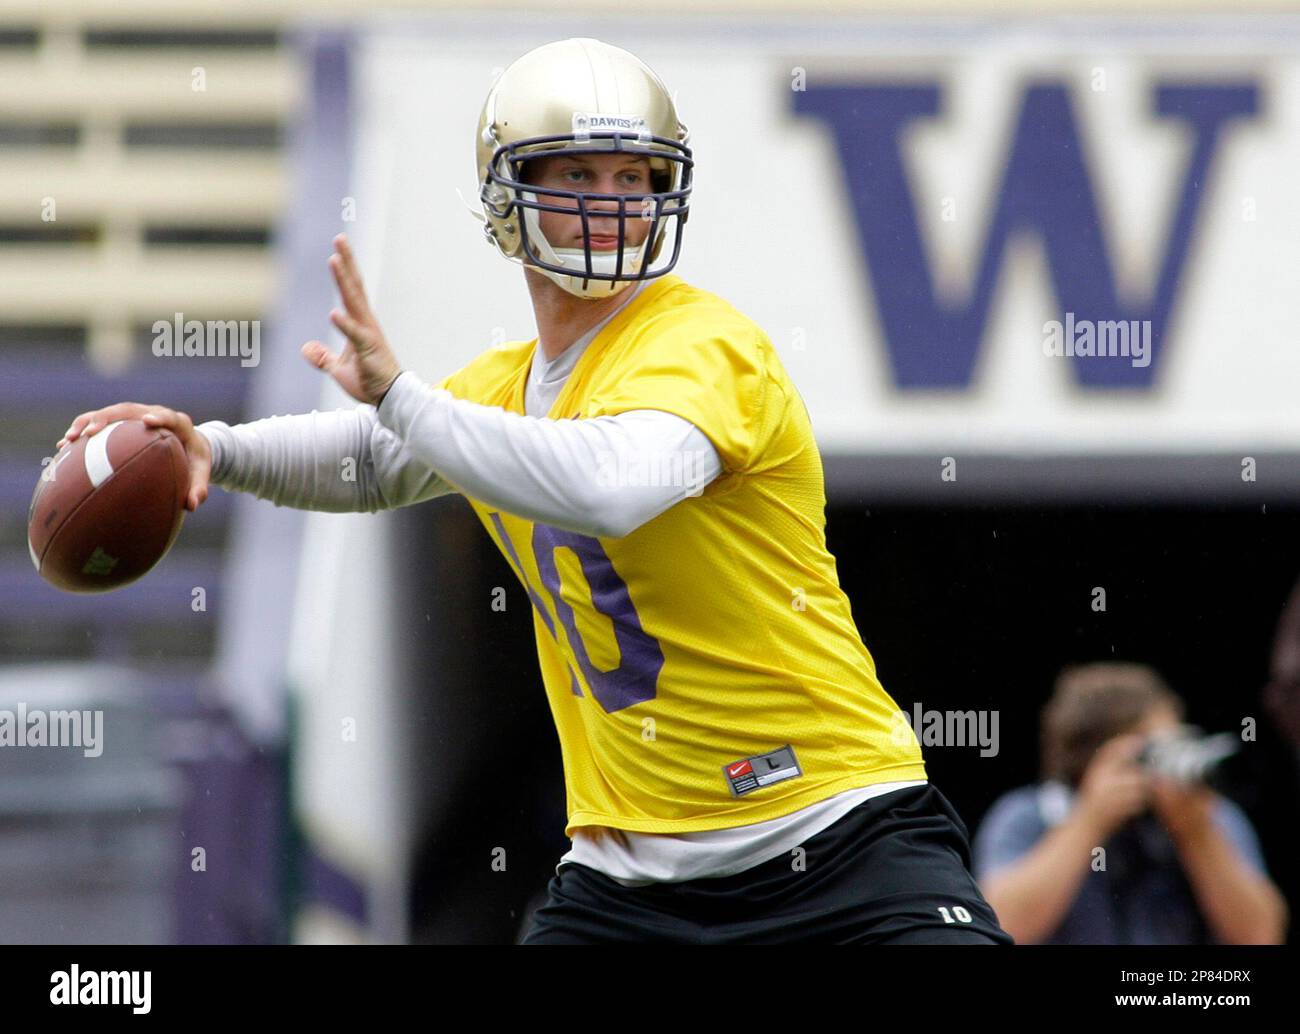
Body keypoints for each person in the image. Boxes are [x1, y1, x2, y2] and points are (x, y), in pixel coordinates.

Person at [57, 37, 1011, 945]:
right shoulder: (505, 389)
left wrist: (402, 398)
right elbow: (374, 459)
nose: (611, 203)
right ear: (509, 195)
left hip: (836, 831)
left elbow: (610, 484)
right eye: (578, 175)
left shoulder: (705, 343)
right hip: (630, 876)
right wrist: (211, 451)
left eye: (633, 178)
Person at [973, 662, 1287, 944]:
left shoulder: (1208, 814)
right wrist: (1088, 822)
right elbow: (1001, 927)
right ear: (1094, 756)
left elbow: (1260, 936)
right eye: (1153, 751)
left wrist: (1197, 835)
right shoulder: (1029, 815)